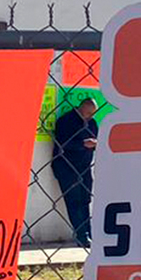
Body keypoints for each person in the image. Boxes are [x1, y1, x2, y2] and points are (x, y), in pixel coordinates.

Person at [50, 96, 99, 246]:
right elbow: (63, 144)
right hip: (67, 167)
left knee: (85, 200)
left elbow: (97, 140)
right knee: (74, 201)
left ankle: (89, 233)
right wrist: (83, 144)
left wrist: (95, 144)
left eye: (93, 114)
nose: (90, 116)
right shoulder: (66, 122)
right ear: (81, 107)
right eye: (88, 113)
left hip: (84, 167)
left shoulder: (92, 123)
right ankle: (81, 236)